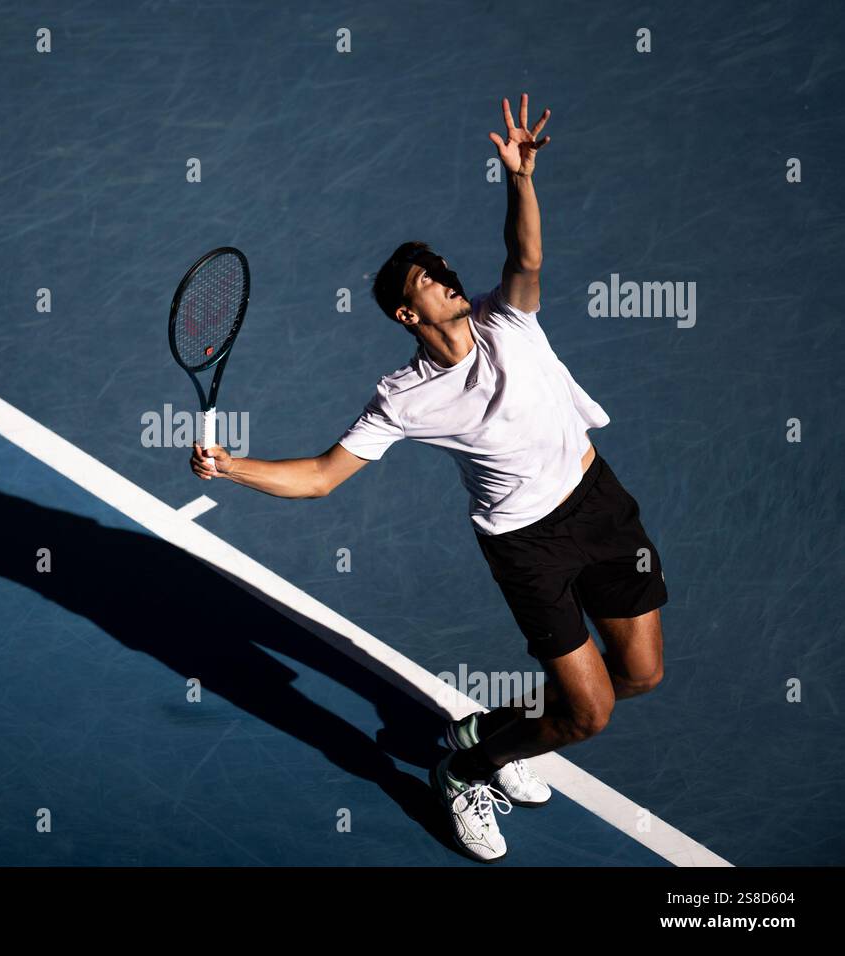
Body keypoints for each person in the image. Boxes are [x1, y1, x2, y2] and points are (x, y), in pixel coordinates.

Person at [188, 94, 667, 862]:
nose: (444, 275)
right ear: (406, 315)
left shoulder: (506, 318)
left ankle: (492, 728)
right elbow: (319, 477)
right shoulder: (402, 398)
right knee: (590, 716)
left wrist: (519, 179)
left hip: (599, 504)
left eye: (443, 267)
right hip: (526, 544)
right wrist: (230, 466)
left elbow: (527, 258)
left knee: (640, 676)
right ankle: (466, 768)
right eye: (426, 277)